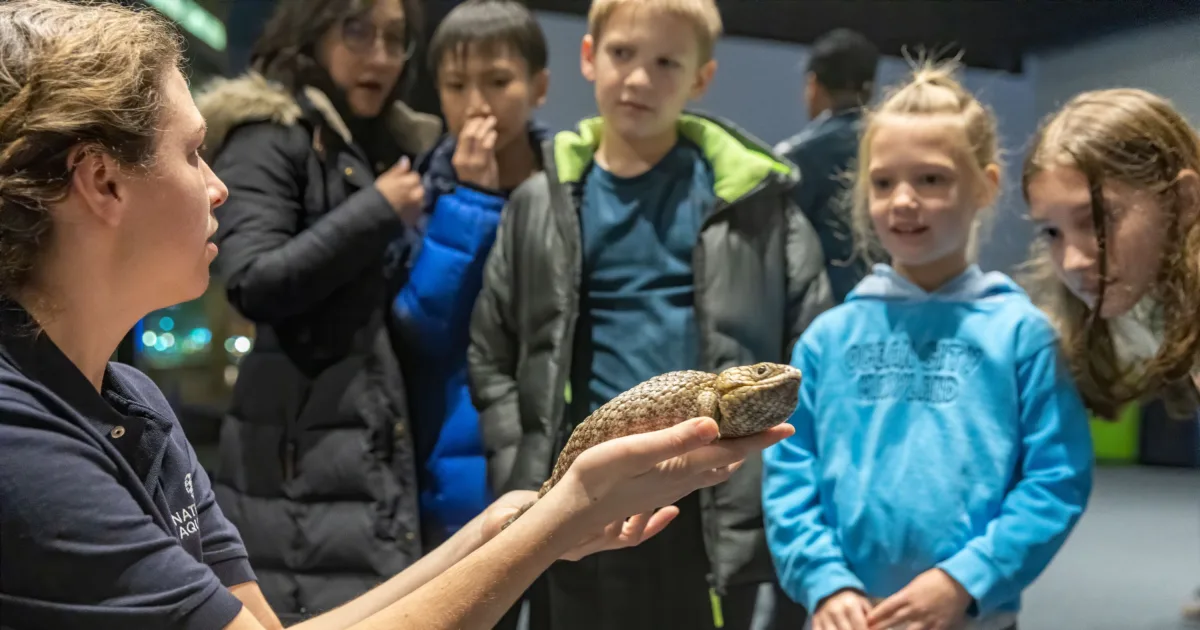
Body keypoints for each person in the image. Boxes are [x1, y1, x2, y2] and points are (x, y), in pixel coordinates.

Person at [0, 4, 794, 630]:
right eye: (195, 153)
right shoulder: (23, 440)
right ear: (103, 183)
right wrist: (552, 524)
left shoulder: (132, 402)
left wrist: (513, 527)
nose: (219, 188)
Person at [466, 0, 831, 628]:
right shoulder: (535, 202)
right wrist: (520, 460)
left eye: (667, 62)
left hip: (711, 508)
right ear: (588, 58)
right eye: (622, 54)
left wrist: (756, 468)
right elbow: (489, 351)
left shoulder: (756, 204)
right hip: (578, 500)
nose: (639, 79)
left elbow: (813, 346)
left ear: (700, 78)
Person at [761, 61, 1095, 630]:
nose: (904, 201)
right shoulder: (826, 339)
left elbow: (1055, 478)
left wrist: (966, 580)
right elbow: (789, 470)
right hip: (847, 618)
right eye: (884, 182)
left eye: (932, 179)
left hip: (969, 616)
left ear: (984, 186)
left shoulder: (1020, 335)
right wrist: (824, 580)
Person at [193, 0, 441, 621]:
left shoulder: (384, 146)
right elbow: (251, 281)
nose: (379, 56)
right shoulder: (271, 134)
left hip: (372, 452)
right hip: (300, 464)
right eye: (357, 31)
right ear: (312, 32)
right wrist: (378, 210)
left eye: (395, 38)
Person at [1016, 87, 1200, 623]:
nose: (1072, 258)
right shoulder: (1146, 295)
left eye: (1100, 220)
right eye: (1052, 231)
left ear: (1185, 203)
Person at [389, 0, 552, 551]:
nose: (477, 104)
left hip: (560, 453)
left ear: (540, 86)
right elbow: (421, 330)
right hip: (457, 469)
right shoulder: (419, 190)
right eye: (457, 86)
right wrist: (472, 201)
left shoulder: (573, 188)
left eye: (498, 81)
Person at [776, 28, 881, 304]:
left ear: (813, 85)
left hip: (821, 312)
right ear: (869, 89)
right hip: (893, 306)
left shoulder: (795, 157)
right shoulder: (895, 146)